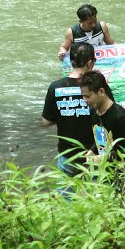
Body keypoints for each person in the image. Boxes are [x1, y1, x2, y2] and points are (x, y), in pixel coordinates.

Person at [40, 40, 97, 175]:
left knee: (67, 195)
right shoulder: (96, 86)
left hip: (67, 154)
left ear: (71, 61)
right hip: (93, 154)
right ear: (89, 63)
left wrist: (65, 114)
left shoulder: (55, 86)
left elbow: (46, 121)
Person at [78, 70, 125, 173]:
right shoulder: (94, 112)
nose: (84, 100)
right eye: (83, 96)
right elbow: (102, 137)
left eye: (88, 96)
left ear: (101, 92)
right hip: (106, 175)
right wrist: (92, 150)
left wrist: (106, 158)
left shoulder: (119, 117)